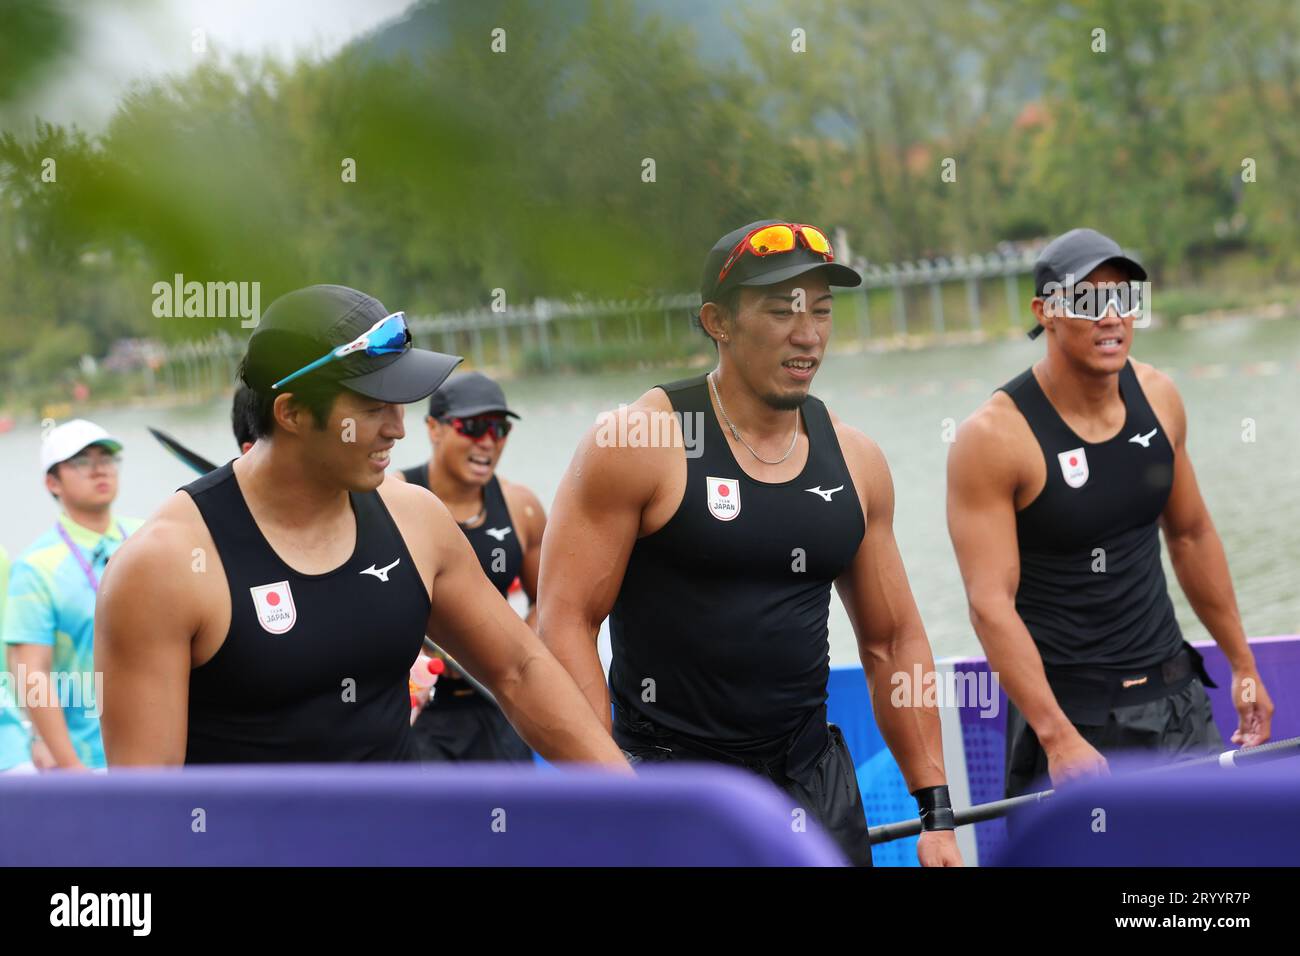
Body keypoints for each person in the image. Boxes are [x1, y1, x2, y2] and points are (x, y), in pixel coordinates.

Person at [538, 220, 963, 866]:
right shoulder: (637, 444)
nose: (808, 333)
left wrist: (937, 814)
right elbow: (564, 621)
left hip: (814, 788)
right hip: (678, 791)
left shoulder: (855, 459)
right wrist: (617, 798)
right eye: (781, 310)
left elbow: (892, 639)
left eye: (821, 311)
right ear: (718, 321)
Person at [96, 284, 628, 770]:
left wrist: (634, 801)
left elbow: (519, 670)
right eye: (374, 408)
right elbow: (148, 798)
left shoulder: (414, 518)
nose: (399, 429)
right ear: (293, 413)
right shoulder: (164, 565)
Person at [946, 227, 1274, 800]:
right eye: (1089, 300)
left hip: (1176, 703)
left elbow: (1192, 535)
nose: (1112, 316)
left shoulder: (1159, 396)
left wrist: (1242, 664)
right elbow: (988, 604)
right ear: (1045, 311)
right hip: (1073, 722)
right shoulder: (994, 438)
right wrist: (1055, 735)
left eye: (1126, 299)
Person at [393, 372, 545, 762]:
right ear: (433, 428)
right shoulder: (390, 499)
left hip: (499, 704)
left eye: (499, 428)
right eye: (473, 427)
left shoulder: (521, 507)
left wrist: (504, 652)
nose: (488, 441)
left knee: (515, 822)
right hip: (416, 711)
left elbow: (548, 605)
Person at [3, 420, 142, 771]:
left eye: (106, 458)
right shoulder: (35, 567)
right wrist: (72, 769)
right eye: (81, 461)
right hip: (92, 760)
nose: (98, 469)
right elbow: (30, 673)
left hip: (167, 751)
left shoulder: (149, 538)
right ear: (53, 482)